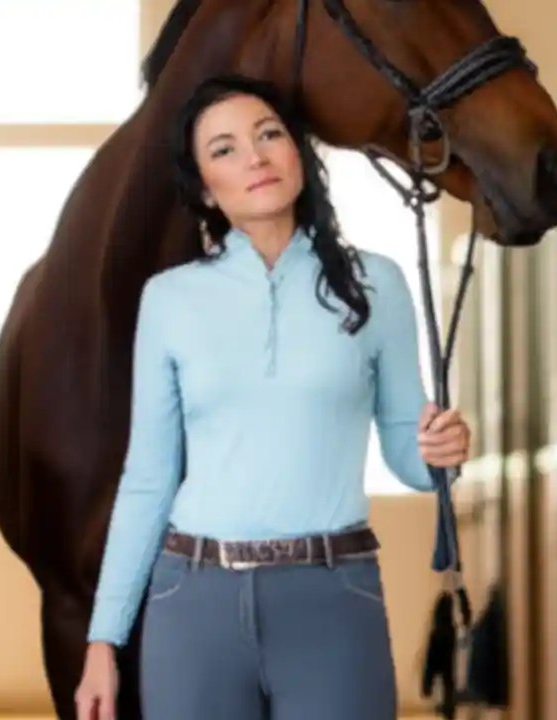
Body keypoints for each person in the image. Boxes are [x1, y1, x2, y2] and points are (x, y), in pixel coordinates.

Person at [74, 73, 472, 720]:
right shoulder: (170, 299)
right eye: (224, 149)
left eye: (269, 135)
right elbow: (148, 479)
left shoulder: (378, 283)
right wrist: (103, 639)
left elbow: (410, 453)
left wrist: (442, 451)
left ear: (299, 156)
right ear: (205, 186)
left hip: (333, 594)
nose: (255, 157)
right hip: (192, 599)